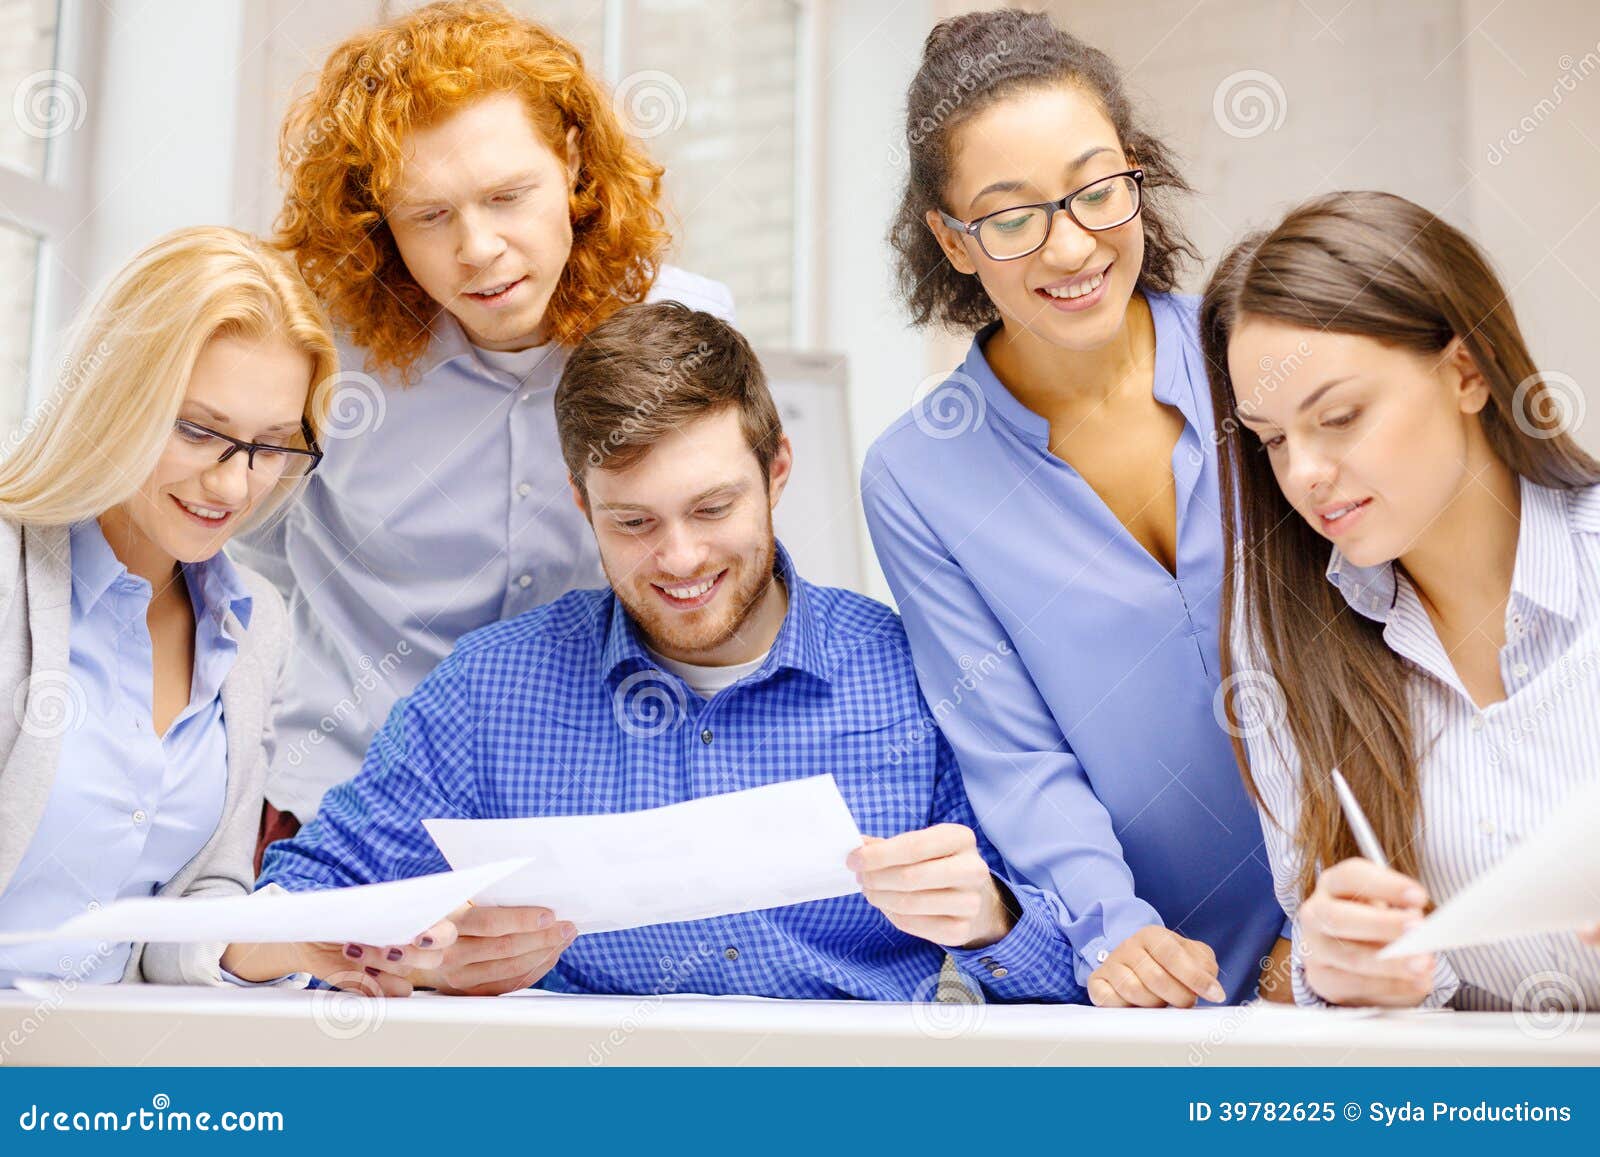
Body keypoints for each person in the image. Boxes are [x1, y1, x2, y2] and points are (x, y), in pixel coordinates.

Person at [225, 303, 1082, 1002]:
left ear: (777, 470)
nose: (678, 559)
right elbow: (280, 914)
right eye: (633, 521)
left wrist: (994, 918)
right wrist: (408, 959)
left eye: (712, 509)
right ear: (580, 501)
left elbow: (1073, 970)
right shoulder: (490, 692)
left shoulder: (918, 674)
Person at [233, 0, 734, 857]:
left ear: (572, 162)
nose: (478, 249)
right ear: (376, 219)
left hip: (589, 817)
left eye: (508, 196)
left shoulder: (683, 323)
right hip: (343, 805)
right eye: (428, 215)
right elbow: (248, 553)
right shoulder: (320, 349)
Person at [861, 9, 1284, 1006]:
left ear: (1134, 172)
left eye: (1096, 190)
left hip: (1364, 921)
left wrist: (1330, 917)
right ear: (952, 241)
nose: (1069, 246)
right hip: (1130, 966)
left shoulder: (1256, 356)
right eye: (1011, 216)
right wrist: (1113, 925)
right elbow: (1011, 749)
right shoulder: (917, 472)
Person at [1202, 190, 1600, 1009]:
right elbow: (1336, 958)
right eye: (1274, 439)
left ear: (1466, 371)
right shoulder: (1282, 635)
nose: (1304, 473)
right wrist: (1343, 971)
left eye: (1339, 416)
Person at [0, 226, 334, 987]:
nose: (234, 485)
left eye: (272, 444)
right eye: (197, 430)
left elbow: (190, 901)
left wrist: (280, 943)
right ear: (113, 393)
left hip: (108, 1077)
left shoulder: (256, 622)